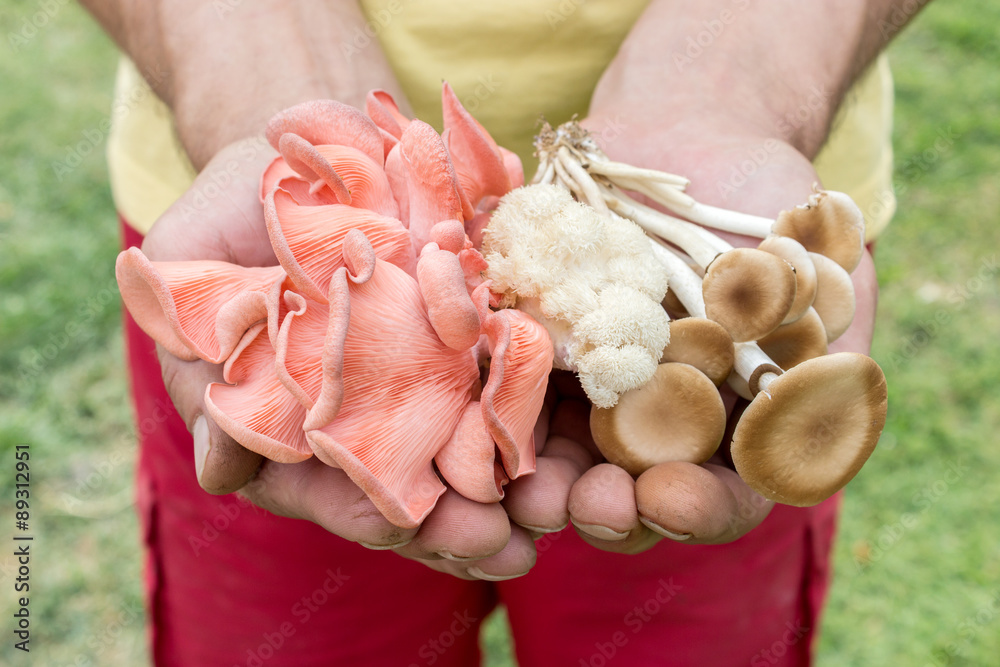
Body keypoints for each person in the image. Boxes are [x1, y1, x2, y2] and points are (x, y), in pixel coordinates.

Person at [81, 1, 920, 664]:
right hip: (266, 232)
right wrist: (253, 61)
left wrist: (743, 83)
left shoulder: (767, 281)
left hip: (759, 196)